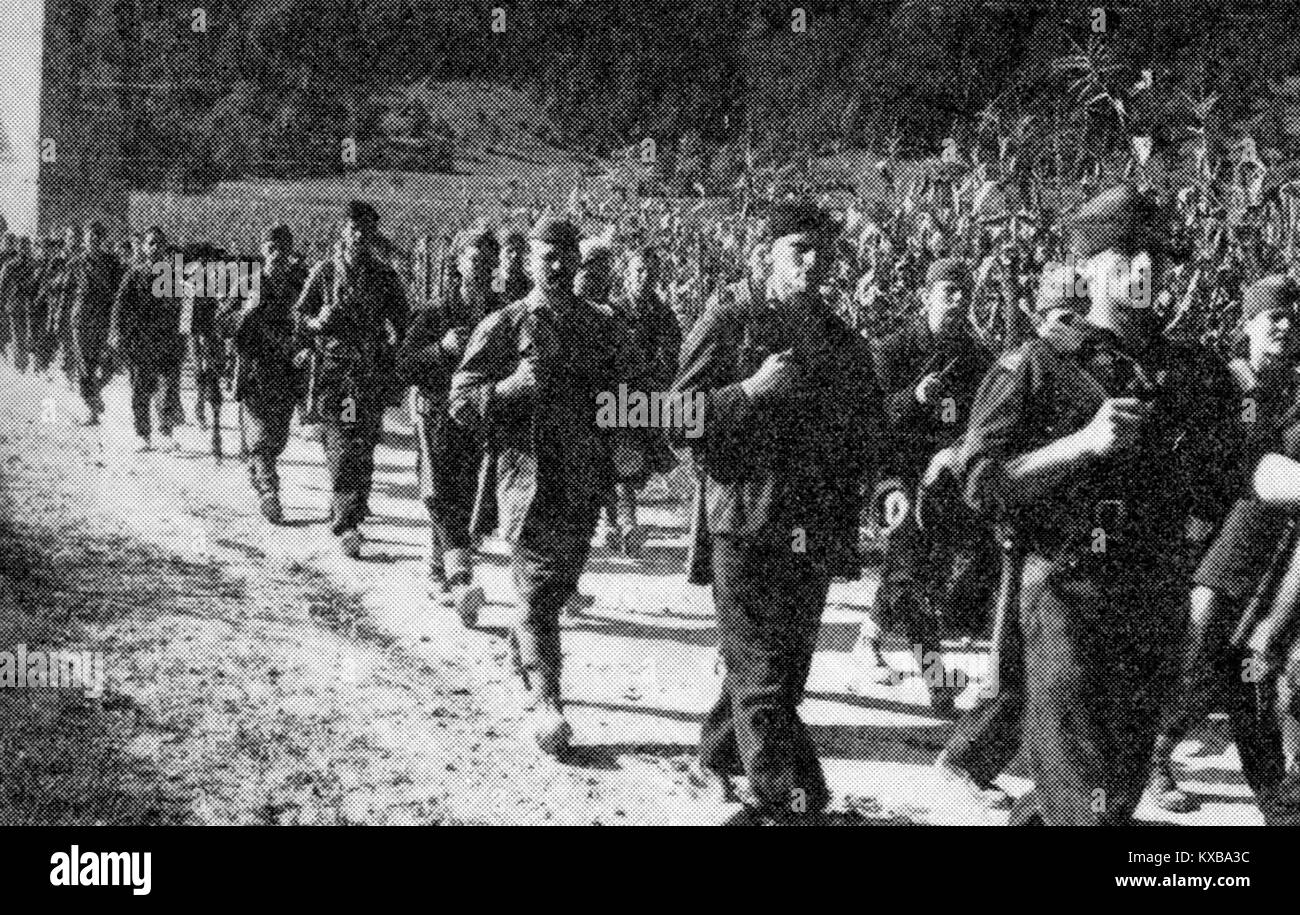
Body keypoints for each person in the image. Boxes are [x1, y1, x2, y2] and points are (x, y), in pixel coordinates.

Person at [957, 185, 1243, 825]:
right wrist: (1078, 446)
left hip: (1154, 600)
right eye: (1127, 255)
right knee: (1081, 797)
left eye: (1156, 256)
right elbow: (980, 484)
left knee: (1112, 796)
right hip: (1067, 595)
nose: (1147, 270)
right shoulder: (1036, 367)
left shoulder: (1195, 371)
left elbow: (1240, 470)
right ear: (1087, 269)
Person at [667, 200, 882, 823]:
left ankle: (718, 754)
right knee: (763, 677)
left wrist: (877, 486)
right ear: (766, 257)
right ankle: (789, 803)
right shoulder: (731, 323)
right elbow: (675, 418)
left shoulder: (844, 344)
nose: (815, 262)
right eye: (800, 250)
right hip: (747, 524)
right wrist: (749, 392)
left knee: (780, 671)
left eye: (823, 250)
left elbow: (871, 434)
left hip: (812, 531)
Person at [449, 215, 645, 756]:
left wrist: (627, 472)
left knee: (554, 590)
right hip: (526, 482)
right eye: (545, 255)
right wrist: (511, 388)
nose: (556, 265)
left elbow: (629, 396)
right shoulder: (504, 325)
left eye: (566, 256)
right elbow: (461, 401)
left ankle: (525, 641)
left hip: (581, 481)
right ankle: (548, 702)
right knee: (536, 595)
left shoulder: (602, 327)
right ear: (530, 262)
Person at [855, 256, 996, 713]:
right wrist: (913, 398)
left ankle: (869, 638)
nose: (957, 301)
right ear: (926, 297)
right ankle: (937, 679)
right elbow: (868, 424)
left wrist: (957, 453)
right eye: (947, 292)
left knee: (918, 571)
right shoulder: (893, 350)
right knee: (908, 568)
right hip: (892, 476)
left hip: (945, 481)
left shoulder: (976, 358)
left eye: (964, 293)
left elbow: (986, 421)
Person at [294, 201, 409, 557]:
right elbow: (300, 317)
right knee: (347, 440)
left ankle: (348, 504)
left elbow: (404, 322)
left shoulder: (384, 277)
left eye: (367, 230)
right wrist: (319, 321)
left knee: (365, 442)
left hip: (370, 373)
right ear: (343, 232)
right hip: (338, 376)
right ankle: (347, 522)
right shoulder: (325, 273)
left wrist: (396, 353)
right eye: (354, 228)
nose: (360, 236)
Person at [397, 224, 499, 624]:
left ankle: (438, 568)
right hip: (435, 412)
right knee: (439, 492)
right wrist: (441, 349)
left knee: (466, 493)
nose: (485, 267)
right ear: (459, 263)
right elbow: (400, 368)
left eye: (490, 260)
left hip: (476, 415)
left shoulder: (501, 314)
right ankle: (461, 581)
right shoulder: (433, 313)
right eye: (476, 258)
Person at [215, 224, 308, 523]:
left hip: (286, 372)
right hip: (254, 371)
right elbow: (221, 322)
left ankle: (258, 470)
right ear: (263, 251)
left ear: (290, 253)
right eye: (272, 248)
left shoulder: (300, 286)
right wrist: (245, 312)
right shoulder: (246, 283)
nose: (277, 255)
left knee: (277, 440)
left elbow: (313, 322)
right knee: (261, 439)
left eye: (283, 249)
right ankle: (270, 491)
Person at [108, 226, 186, 452]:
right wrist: (116, 333)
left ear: (164, 248)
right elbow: (119, 307)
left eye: (159, 243)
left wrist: (183, 338)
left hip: (168, 341)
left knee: (169, 388)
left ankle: (166, 432)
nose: (155, 247)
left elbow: (184, 308)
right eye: (151, 243)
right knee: (140, 390)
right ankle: (143, 434)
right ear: (144, 247)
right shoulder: (134, 274)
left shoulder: (174, 275)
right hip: (141, 342)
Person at [64, 221, 124, 426]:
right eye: (90, 239)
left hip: (104, 319)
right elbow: (66, 293)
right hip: (80, 319)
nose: (93, 242)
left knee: (109, 363)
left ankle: (95, 391)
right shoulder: (76, 262)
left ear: (102, 240)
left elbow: (120, 294)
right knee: (84, 365)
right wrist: (58, 320)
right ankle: (92, 410)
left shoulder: (112, 263)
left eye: (97, 239)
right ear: (85, 240)